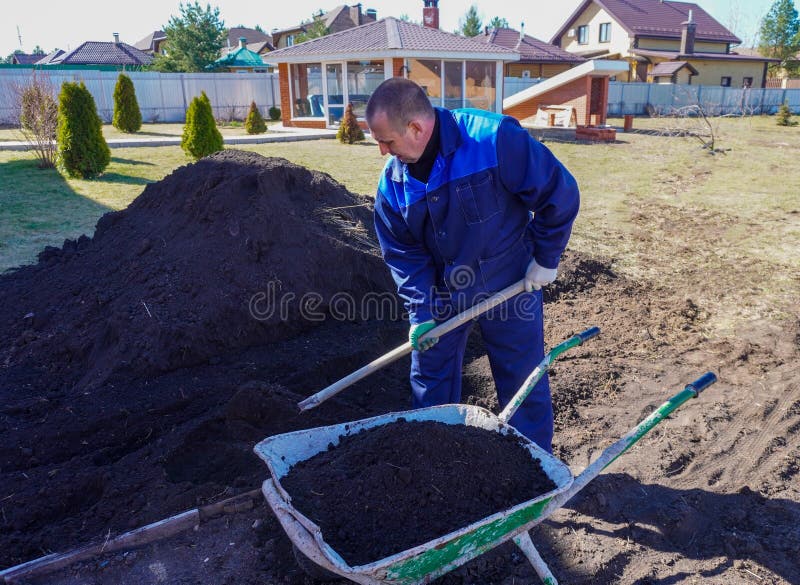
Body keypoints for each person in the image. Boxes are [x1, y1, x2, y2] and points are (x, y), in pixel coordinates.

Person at [365, 78, 579, 453]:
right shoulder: (392, 186)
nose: (383, 151)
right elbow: (402, 252)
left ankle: (533, 466)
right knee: (430, 377)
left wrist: (545, 258)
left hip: (510, 279)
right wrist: (422, 311)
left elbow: (558, 192)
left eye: (388, 141)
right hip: (442, 289)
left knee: (522, 375)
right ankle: (433, 456)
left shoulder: (492, 140)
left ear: (415, 128)